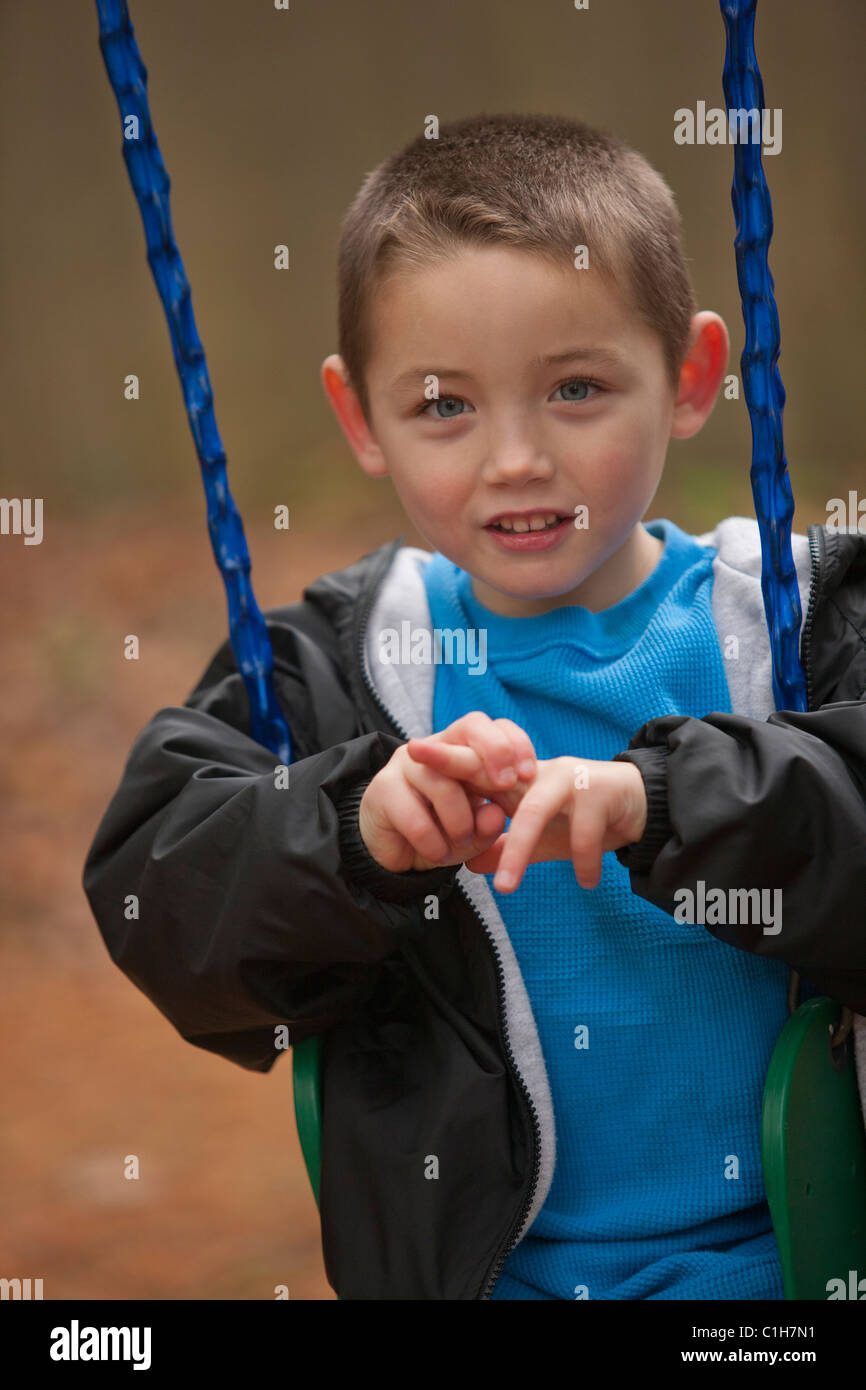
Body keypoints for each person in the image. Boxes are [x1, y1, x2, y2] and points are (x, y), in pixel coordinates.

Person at [82, 112, 866, 1301]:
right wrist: (353, 831)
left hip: (778, 1274)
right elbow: (161, 893)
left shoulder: (794, 624)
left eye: (575, 388)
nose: (513, 458)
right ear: (361, 420)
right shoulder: (340, 668)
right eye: (444, 405)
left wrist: (668, 799)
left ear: (693, 376)